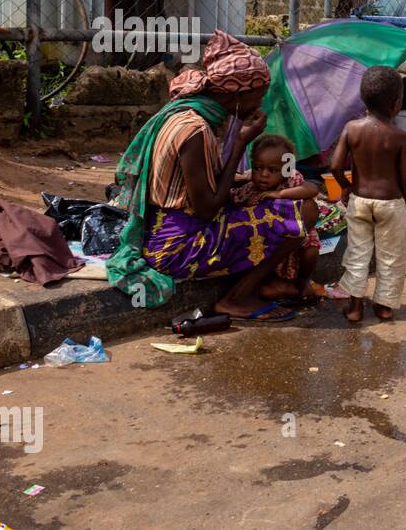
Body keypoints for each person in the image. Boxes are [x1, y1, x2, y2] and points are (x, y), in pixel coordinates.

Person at [106, 30, 316, 323]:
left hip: (165, 230)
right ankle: (237, 298)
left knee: (277, 206)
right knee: (296, 219)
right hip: (175, 247)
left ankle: (251, 286)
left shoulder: (184, 114)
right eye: (259, 94)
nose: (262, 102)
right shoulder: (196, 131)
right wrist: (241, 143)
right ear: (238, 95)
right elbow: (207, 209)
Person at [329, 67, 406, 323]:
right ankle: (384, 306)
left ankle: (354, 308)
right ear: (396, 103)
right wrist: (405, 199)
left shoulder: (352, 129)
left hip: (360, 201)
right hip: (390, 202)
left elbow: (335, 165)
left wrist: (346, 186)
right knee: (391, 257)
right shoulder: (398, 136)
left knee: (357, 254)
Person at [231, 134, 322, 304]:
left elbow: (311, 189)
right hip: (271, 249)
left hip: (298, 243)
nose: (263, 175)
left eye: (272, 170)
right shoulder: (251, 189)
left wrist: (280, 194)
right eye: (258, 168)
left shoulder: (290, 181)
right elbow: (234, 202)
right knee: (267, 290)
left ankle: (302, 282)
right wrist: (248, 203)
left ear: (285, 169)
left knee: (311, 251)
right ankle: (279, 285)